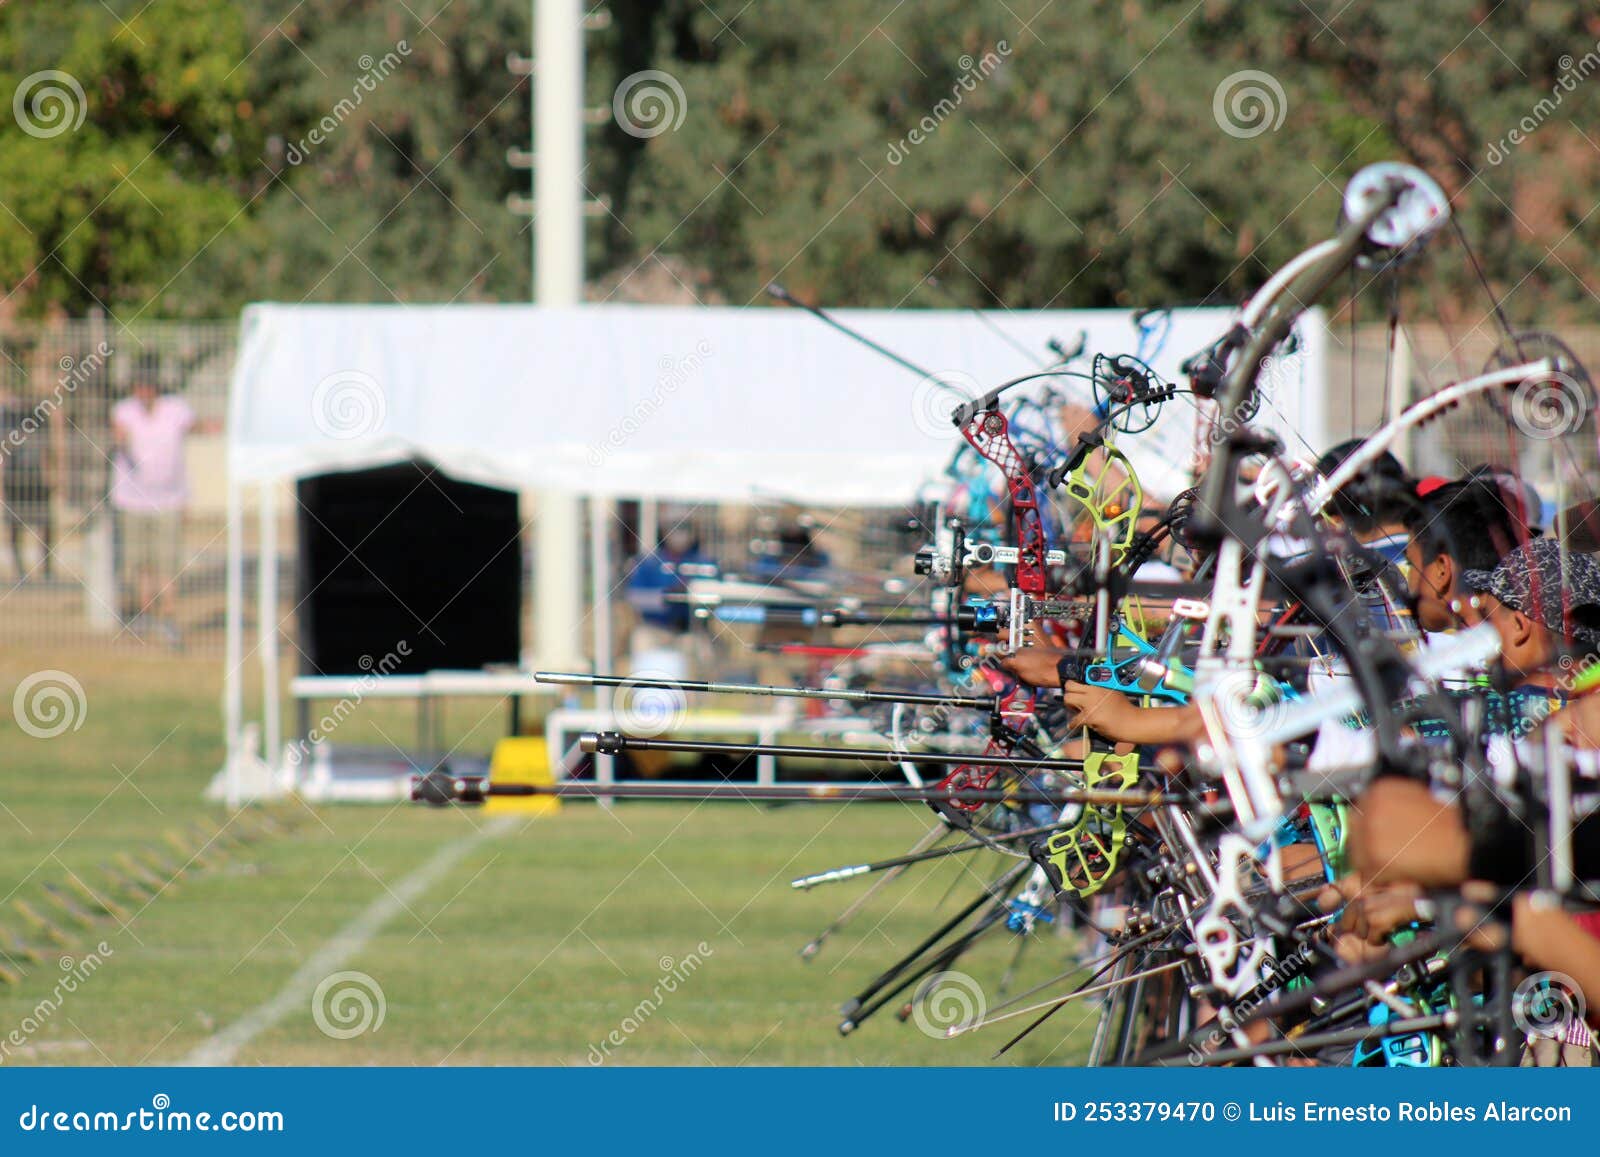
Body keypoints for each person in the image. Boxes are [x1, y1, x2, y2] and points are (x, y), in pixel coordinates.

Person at [111, 374, 200, 647]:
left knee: (167, 563)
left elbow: (198, 426)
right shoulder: (123, 410)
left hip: (169, 501)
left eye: (148, 386)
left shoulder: (176, 408)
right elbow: (118, 436)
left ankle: (168, 617)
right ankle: (146, 614)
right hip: (132, 502)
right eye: (139, 387)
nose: (144, 392)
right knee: (141, 563)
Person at [0, 383, 56, 581]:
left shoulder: (39, 415)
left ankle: (46, 568)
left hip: (36, 479)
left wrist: (51, 475)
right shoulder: (6, 417)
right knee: (14, 525)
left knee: (45, 523)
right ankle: (19, 569)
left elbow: (47, 450)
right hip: (14, 479)